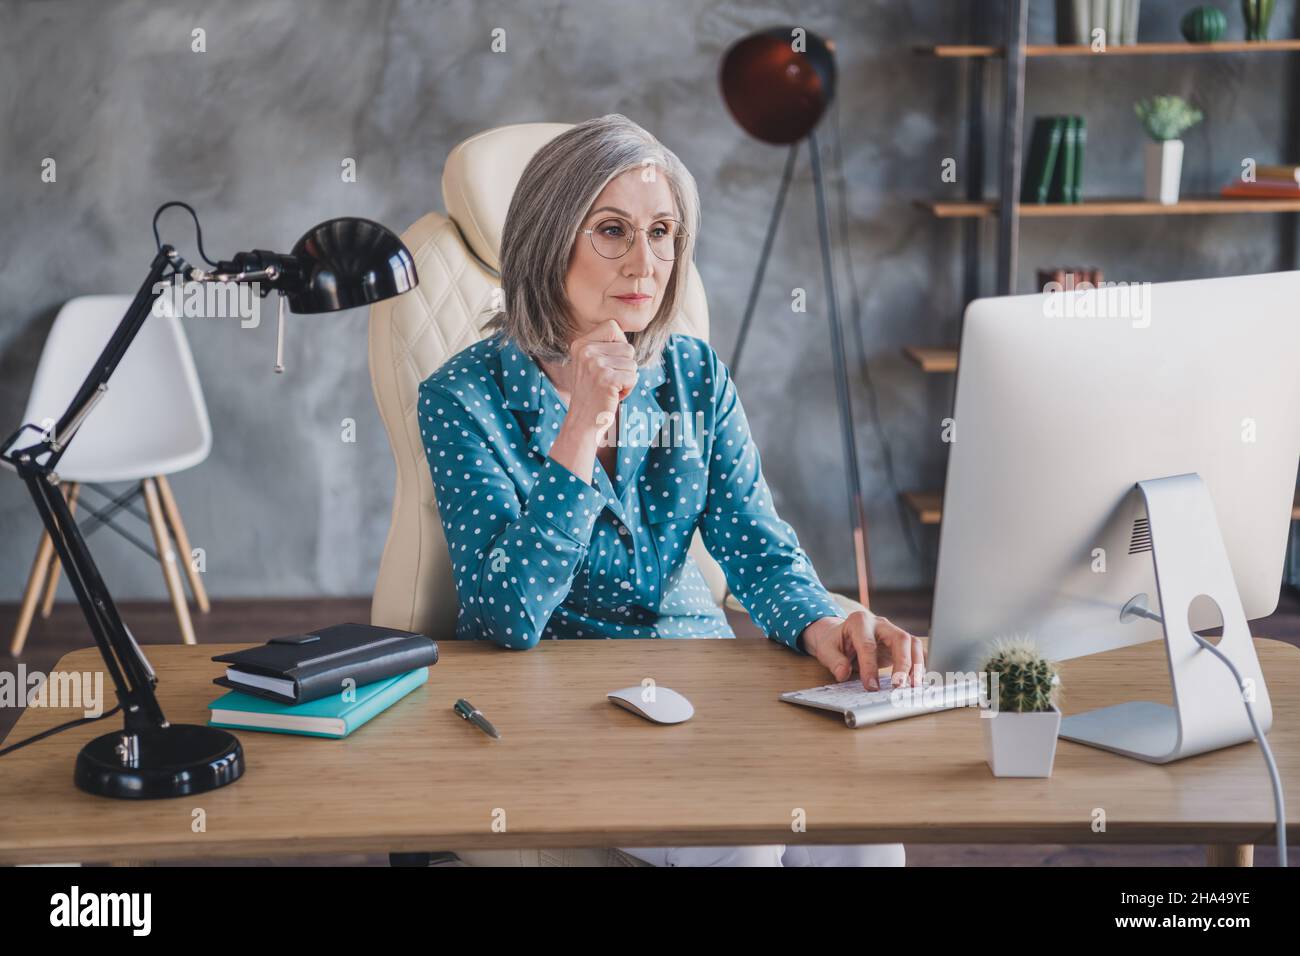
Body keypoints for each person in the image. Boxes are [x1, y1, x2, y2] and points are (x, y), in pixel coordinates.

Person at [418, 114, 922, 867]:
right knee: (745, 844)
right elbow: (505, 615)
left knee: (862, 831)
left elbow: (757, 546)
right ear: (547, 239)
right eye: (613, 231)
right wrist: (583, 423)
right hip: (561, 701)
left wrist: (823, 627)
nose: (645, 263)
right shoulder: (463, 397)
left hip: (703, 688)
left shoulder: (694, 374)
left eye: (662, 232)